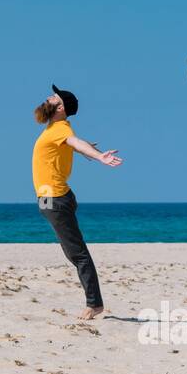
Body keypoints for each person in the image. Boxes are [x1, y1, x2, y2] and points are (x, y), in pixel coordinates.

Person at [32, 85, 122, 320]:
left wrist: (98, 156)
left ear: (60, 107)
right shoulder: (56, 128)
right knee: (72, 253)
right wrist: (91, 151)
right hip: (52, 199)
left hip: (56, 200)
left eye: (53, 97)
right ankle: (94, 301)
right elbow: (75, 144)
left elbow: (75, 142)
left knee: (78, 254)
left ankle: (95, 304)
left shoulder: (61, 129)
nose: (48, 98)